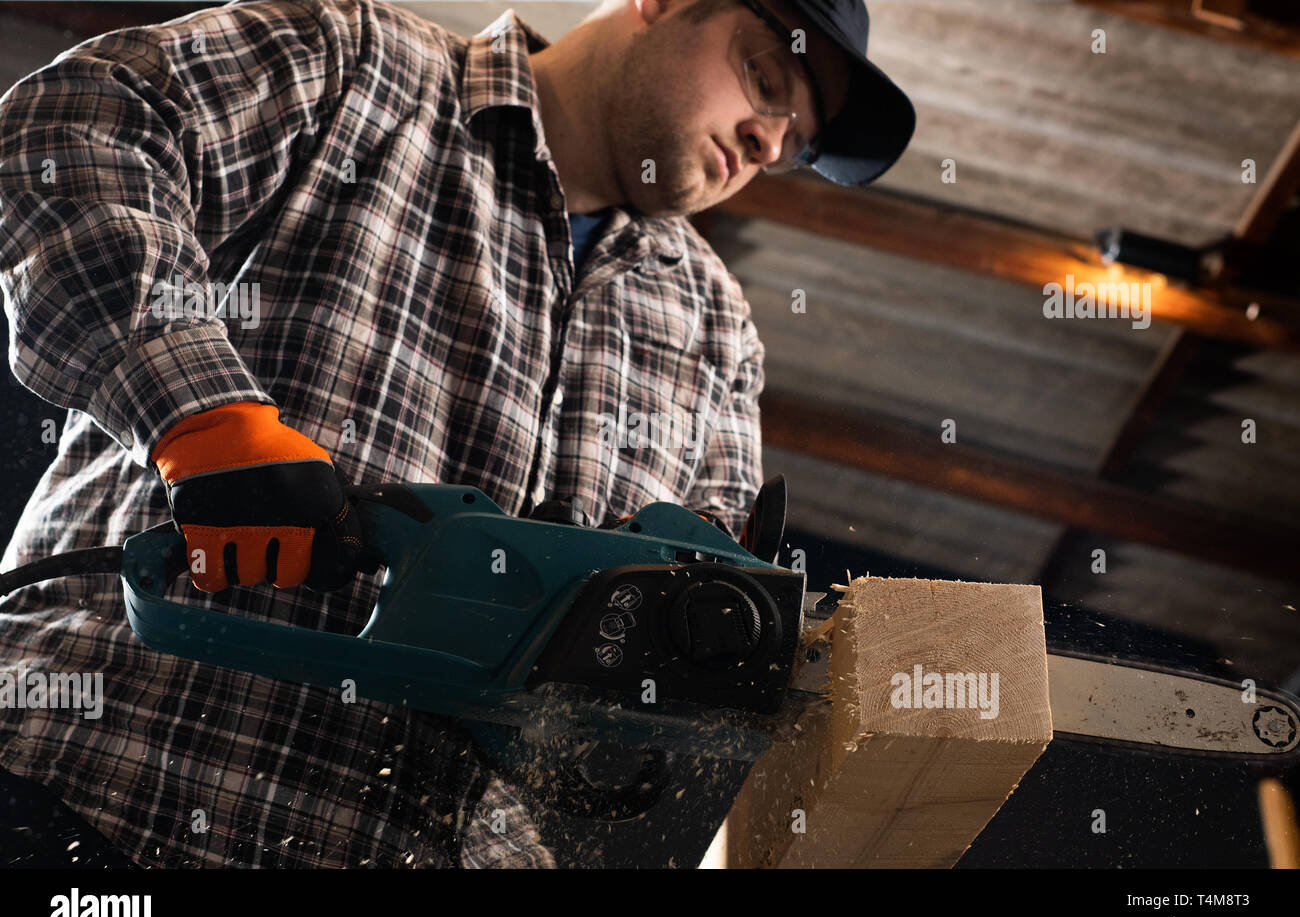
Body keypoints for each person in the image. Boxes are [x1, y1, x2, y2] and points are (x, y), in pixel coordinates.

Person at [0, 0, 913, 868]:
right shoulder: (357, 66)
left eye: (795, 144)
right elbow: (78, 129)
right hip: (101, 782)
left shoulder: (715, 325)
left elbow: (703, 597)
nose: (767, 140)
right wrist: (203, 417)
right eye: (765, 79)